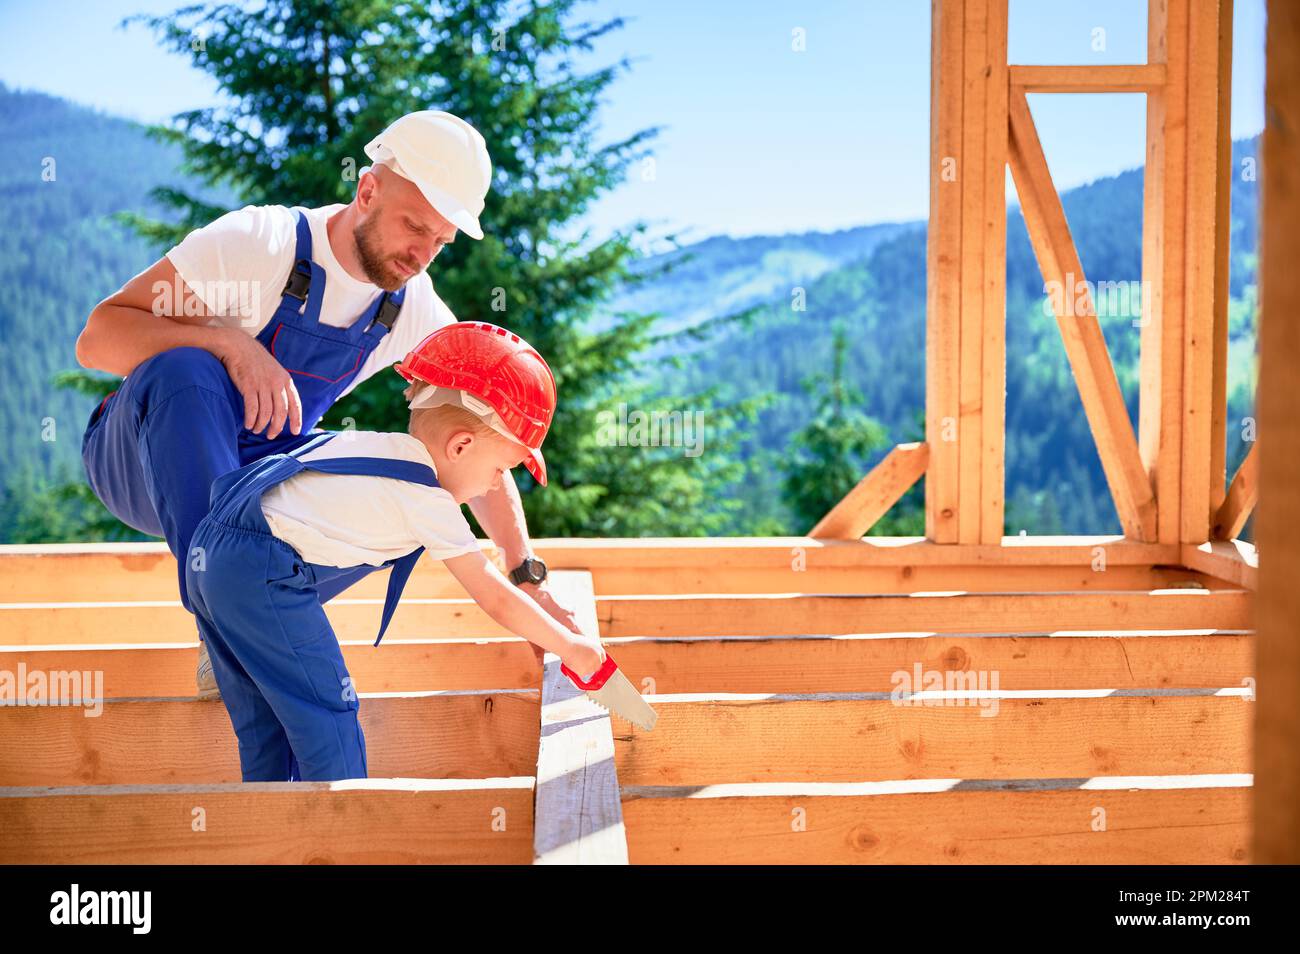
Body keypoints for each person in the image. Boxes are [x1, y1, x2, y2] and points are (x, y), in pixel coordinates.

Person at [76, 111, 576, 698]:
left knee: (418, 481)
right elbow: (98, 338)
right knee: (187, 369)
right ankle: (228, 632)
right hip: (140, 456)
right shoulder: (259, 246)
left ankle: (254, 621)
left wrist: (524, 572)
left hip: (251, 479)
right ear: (368, 190)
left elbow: (477, 443)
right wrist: (228, 343)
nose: (421, 256)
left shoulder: (409, 306)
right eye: (414, 227)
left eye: (439, 242)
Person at [185, 321, 605, 781]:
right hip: (258, 569)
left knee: (264, 723)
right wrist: (574, 649)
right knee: (329, 712)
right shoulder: (425, 497)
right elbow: (495, 597)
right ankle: (346, 838)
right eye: (501, 468)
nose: (494, 483)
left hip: (210, 553)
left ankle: (272, 838)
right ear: (461, 445)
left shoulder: (380, 450)